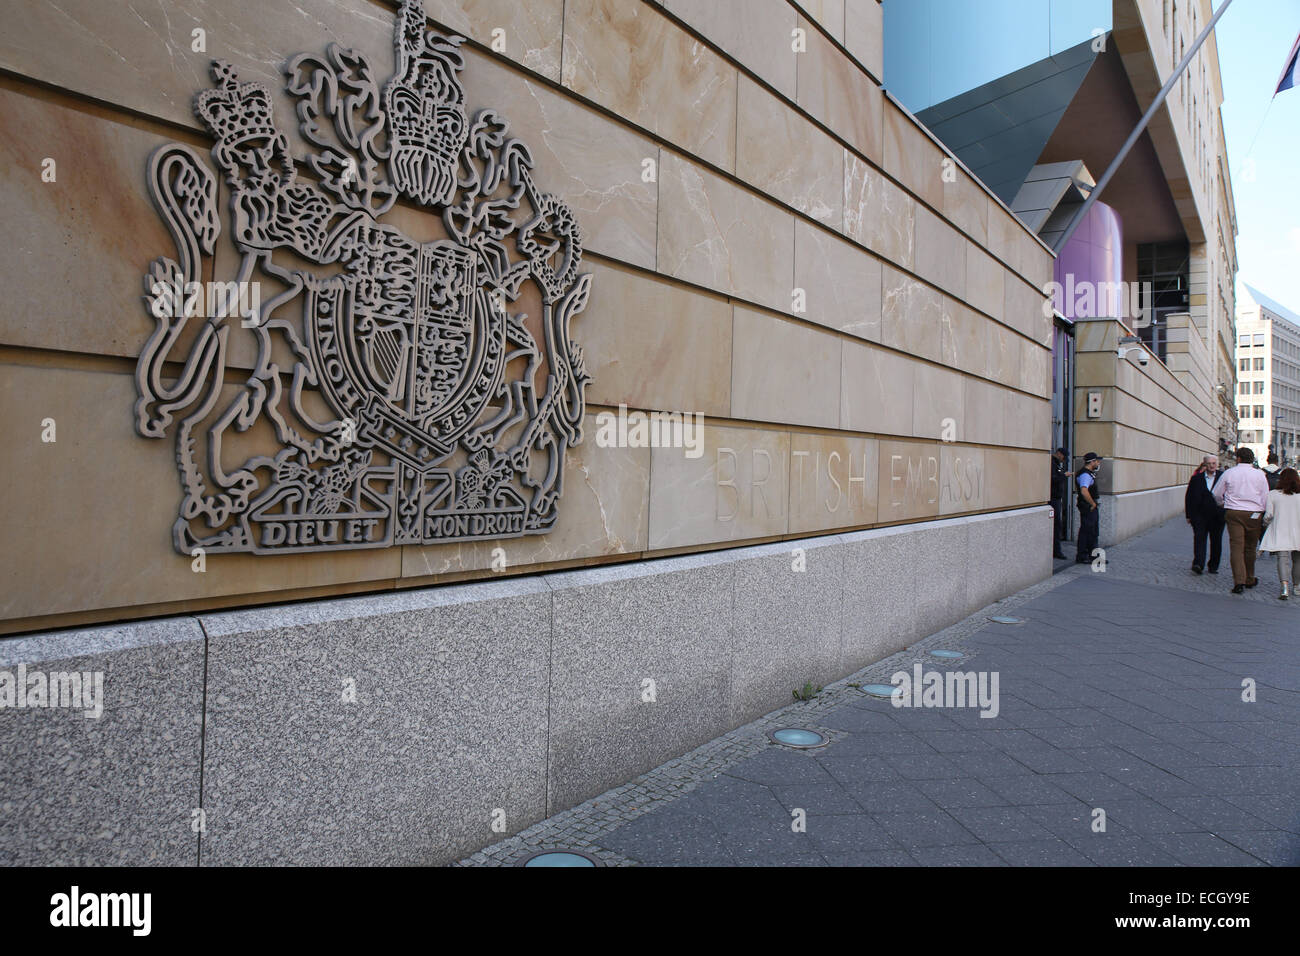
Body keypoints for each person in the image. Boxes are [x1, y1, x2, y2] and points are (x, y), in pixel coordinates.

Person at [1213, 446, 1271, 594]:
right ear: (1252, 459)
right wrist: (1261, 512)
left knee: (1236, 547)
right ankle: (1250, 578)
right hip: (1254, 513)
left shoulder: (1229, 473)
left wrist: (1223, 503)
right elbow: (1265, 496)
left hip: (1235, 512)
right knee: (1250, 547)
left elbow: (1217, 493)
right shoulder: (1259, 475)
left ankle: (1239, 581)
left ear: (1238, 458)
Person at [1260, 467, 1300, 600]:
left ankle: (1284, 587)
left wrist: (1265, 523)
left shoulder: (1273, 494)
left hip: (1280, 530)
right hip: (1298, 531)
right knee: (1297, 560)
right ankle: (1297, 586)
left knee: (1283, 560)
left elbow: (1268, 515)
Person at [1184, 454, 1225, 575]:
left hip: (1218, 516)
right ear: (1204, 465)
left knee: (1216, 541)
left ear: (1216, 464)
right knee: (1199, 539)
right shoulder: (1197, 478)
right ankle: (1198, 564)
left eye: (1214, 463)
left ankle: (1213, 566)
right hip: (1200, 516)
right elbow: (1189, 497)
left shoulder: (1223, 477)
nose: (1212, 466)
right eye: (1209, 464)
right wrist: (1189, 515)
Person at [1075, 452, 1102, 564]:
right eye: (1097, 461)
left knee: (1093, 532)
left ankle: (1093, 556)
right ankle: (1082, 555)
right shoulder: (1085, 475)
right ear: (1091, 462)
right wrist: (1092, 504)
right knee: (1086, 532)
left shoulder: (1089, 473)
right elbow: (1084, 491)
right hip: (1088, 506)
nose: (1098, 463)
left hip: (1090, 506)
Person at [1049, 447, 1071, 559]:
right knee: (1056, 526)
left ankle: (1056, 550)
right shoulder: (1052, 463)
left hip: (1056, 498)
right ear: (1059, 454)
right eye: (1063, 457)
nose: (1063, 459)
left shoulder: (1056, 463)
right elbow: (1052, 479)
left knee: (1057, 525)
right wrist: (1064, 476)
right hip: (1053, 498)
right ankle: (1056, 551)